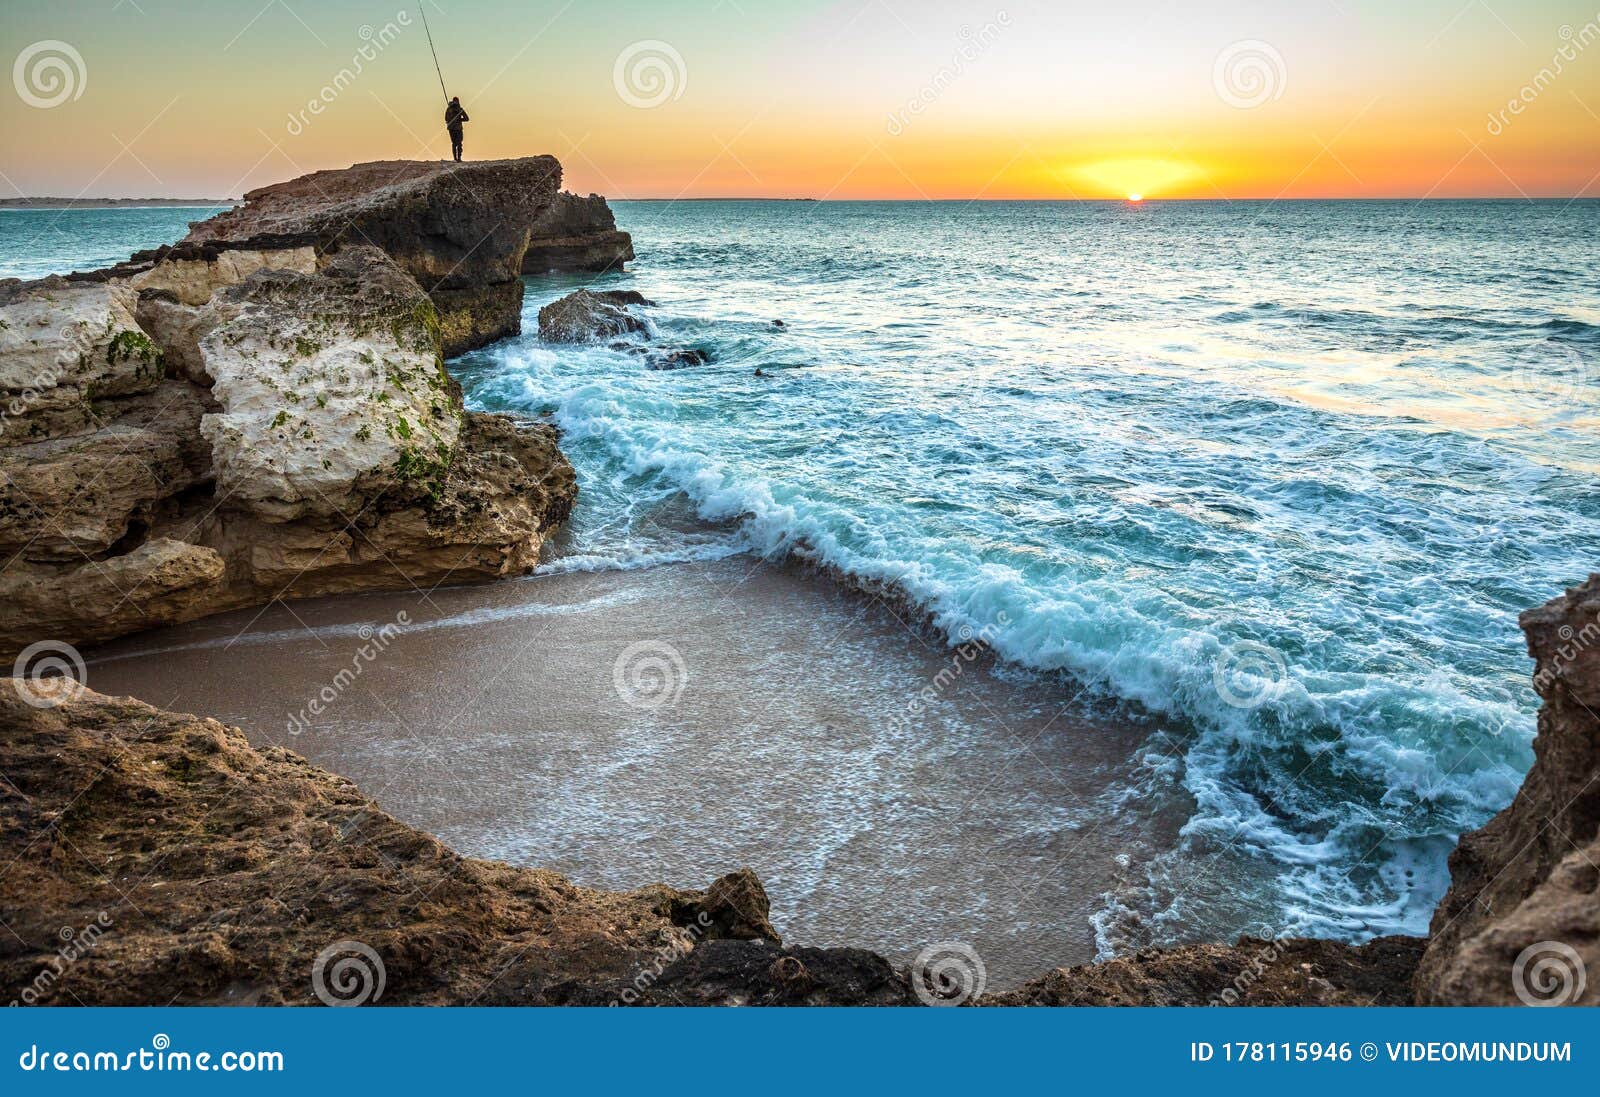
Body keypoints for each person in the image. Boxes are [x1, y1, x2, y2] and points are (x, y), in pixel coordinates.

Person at [444, 97, 469, 162]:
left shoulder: (449, 109)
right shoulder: (459, 109)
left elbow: (446, 119)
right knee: (458, 143)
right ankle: (458, 158)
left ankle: (456, 158)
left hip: (451, 128)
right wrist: (459, 119)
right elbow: (467, 118)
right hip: (457, 128)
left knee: (454, 143)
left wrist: (454, 119)